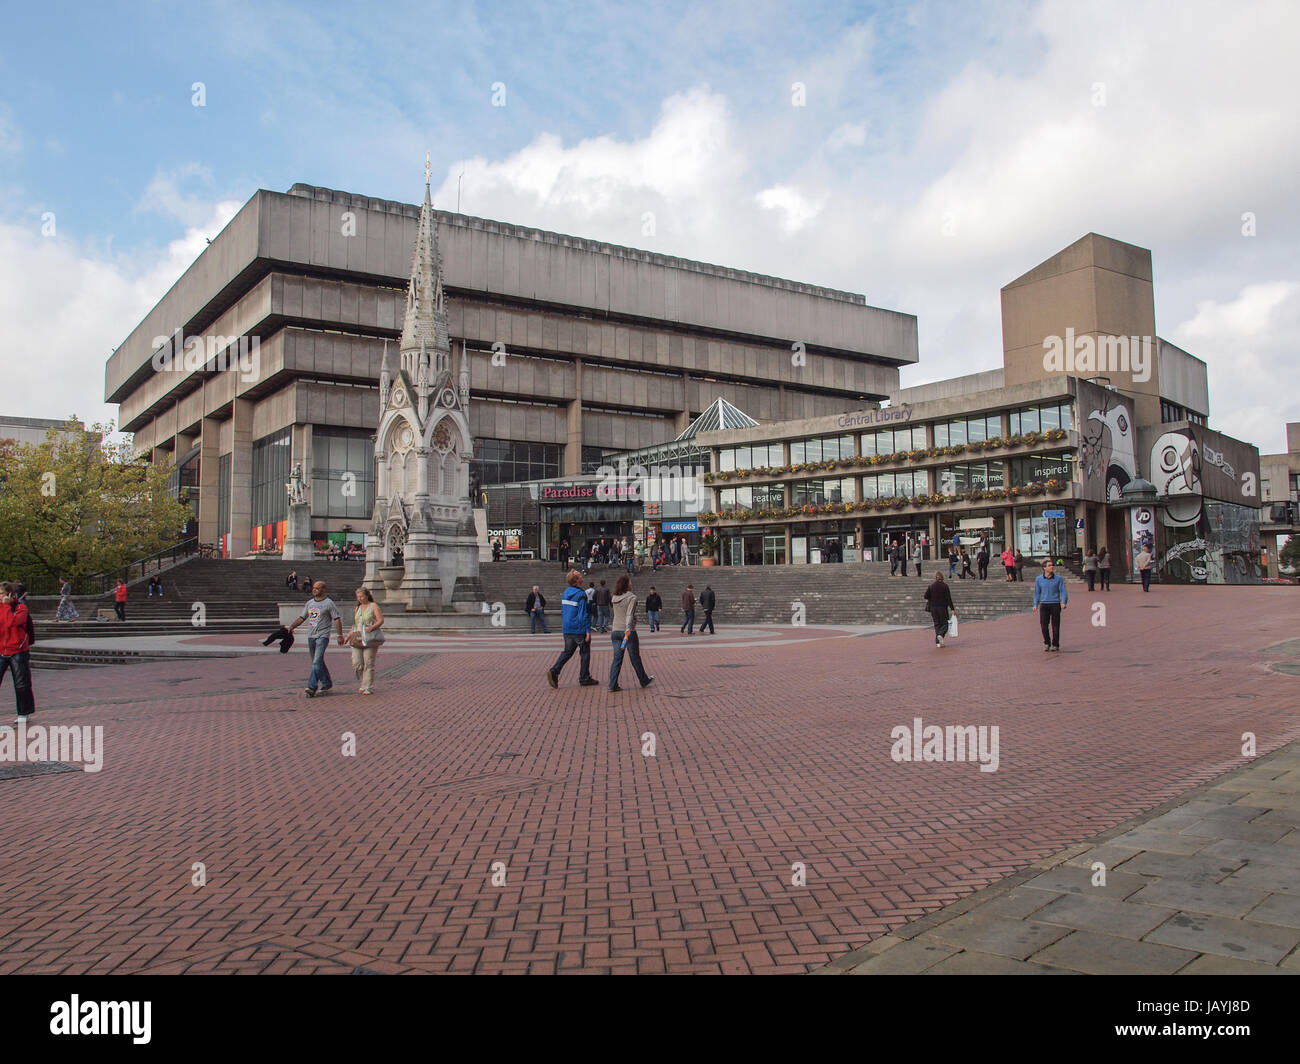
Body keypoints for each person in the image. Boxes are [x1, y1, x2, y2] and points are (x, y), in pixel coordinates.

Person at [286, 580, 344, 697]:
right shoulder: (310, 603)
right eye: (314, 588)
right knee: (317, 661)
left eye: (317, 588)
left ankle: (312, 687)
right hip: (311, 636)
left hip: (322, 636)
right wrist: (292, 626)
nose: (314, 590)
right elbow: (303, 617)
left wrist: (339, 635)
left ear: (323, 590)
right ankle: (326, 682)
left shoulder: (329, 603)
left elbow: (336, 619)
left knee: (316, 661)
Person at [547, 570, 598, 688]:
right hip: (579, 628)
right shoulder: (581, 594)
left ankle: (555, 670)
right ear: (576, 580)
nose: (581, 576)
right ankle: (584, 677)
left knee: (568, 652)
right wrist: (587, 630)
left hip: (567, 627)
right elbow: (583, 614)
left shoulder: (566, 592)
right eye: (579, 575)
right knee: (585, 653)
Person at [608, 575, 654, 692]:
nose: (631, 584)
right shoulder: (632, 597)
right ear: (626, 585)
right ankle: (643, 679)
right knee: (634, 657)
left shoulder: (614, 598)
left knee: (617, 658)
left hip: (615, 631)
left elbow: (619, 614)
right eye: (630, 583)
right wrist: (628, 627)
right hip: (627, 632)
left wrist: (632, 618)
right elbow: (628, 614)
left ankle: (612, 684)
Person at [0, 583, 36, 722]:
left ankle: (23, 712)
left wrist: (6, 606)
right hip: (2, 650)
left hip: (18, 650)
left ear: (10, 594)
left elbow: (11, 622)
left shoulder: (20, 608)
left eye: (1, 593)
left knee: (21, 683)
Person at [346, 587, 385, 695]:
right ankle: (363, 682)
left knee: (369, 663)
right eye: (358, 597)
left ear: (367, 595)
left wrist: (371, 627)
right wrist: (348, 636)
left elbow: (381, 620)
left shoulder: (373, 606)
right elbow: (355, 624)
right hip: (357, 636)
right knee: (357, 663)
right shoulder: (357, 607)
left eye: (362, 596)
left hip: (370, 637)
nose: (360, 599)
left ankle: (367, 686)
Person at [1033, 559, 1069, 652]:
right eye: (1049, 565)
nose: (1051, 567)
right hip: (1044, 604)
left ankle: (1055, 644)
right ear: (1044, 568)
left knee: (1055, 625)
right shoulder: (1039, 579)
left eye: (1052, 565)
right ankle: (1047, 643)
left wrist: (1064, 602)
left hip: (1055, 604)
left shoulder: (1058, 578)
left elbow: (1063, 591)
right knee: (1044, 625)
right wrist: (1035, 604)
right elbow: (1037, 592)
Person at [923, 571, 956, 648]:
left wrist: (932, 597)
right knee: (945, 624)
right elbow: (949, 599)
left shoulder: (931, 586)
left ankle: (938, 642)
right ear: (942, 578)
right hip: (942, 607)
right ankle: (940, 635)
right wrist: (952, 609)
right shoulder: (945, 586)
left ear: (936, 577)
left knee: (937, 624)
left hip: (933, 608)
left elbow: (925, 596)